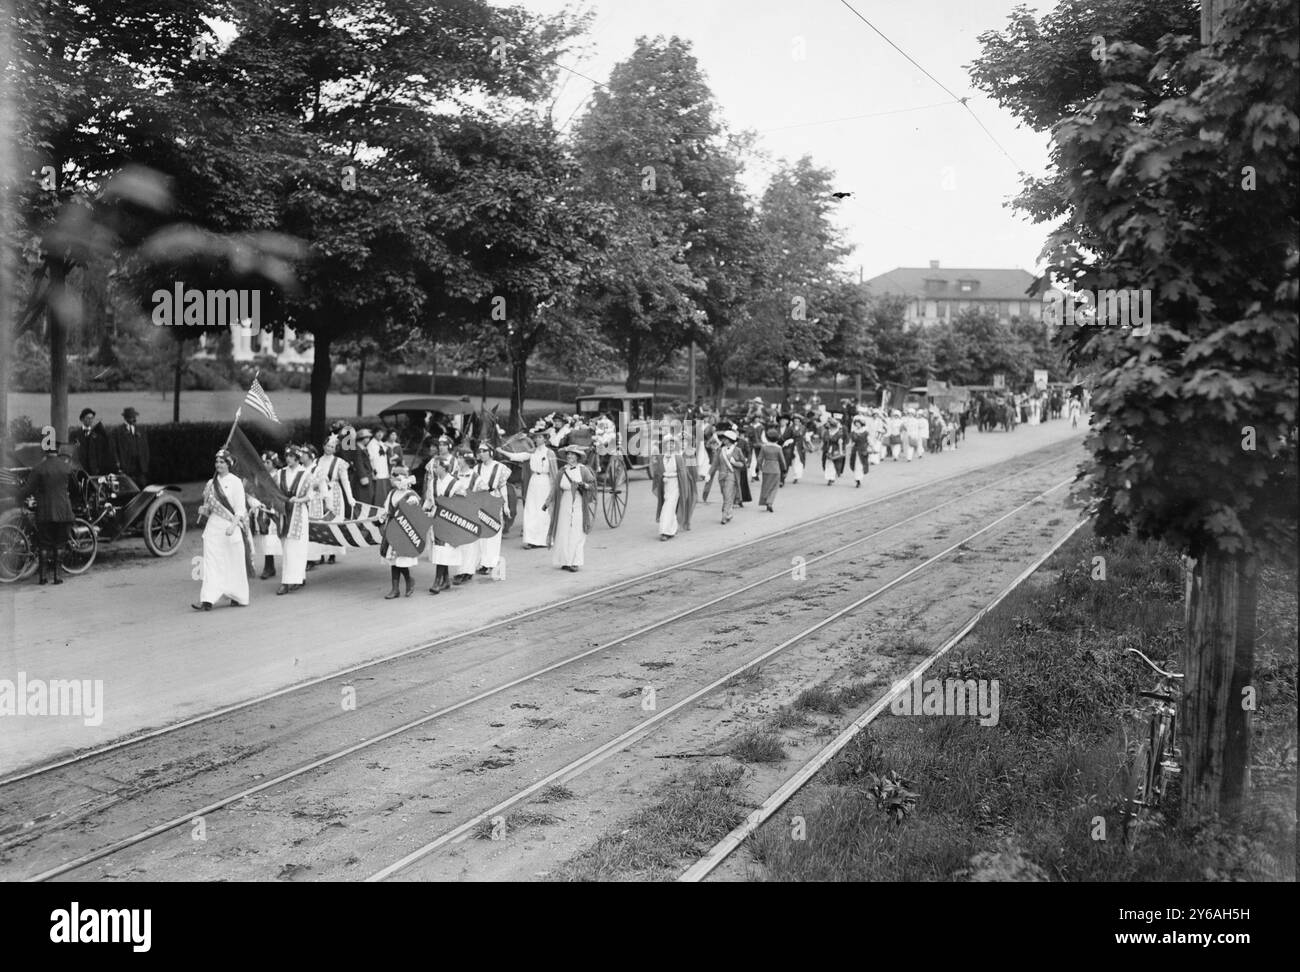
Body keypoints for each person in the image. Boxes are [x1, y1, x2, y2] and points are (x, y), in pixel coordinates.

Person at [193, 448, 250, 611]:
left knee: (233, 561)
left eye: (222, 462)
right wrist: (204, 510)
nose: (218, 465)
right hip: (214, 527)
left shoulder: (235, 482)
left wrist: (233, 526)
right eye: (217, 462)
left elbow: (240, 508)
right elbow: (209, 508)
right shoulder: (211, 483)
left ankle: (237, 595)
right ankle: (207, 599)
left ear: (229, 464)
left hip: (230, 526)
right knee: (211, 562)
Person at [19, 439, 75, 585]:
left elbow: (27, 489)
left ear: (45, 450)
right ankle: (57, 577)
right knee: (60, 544)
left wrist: (17, 497)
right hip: (63, 512)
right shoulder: (67, 467)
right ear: (58, 450)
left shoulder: (39, 468)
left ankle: (43, 578)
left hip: (44, 513)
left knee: (44, 545)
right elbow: (76, 489)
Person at [498, 432, 556, 549]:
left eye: (540, 437)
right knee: (531, 509)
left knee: (543, 510)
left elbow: (554, 471)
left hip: (545, 482)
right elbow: (516, 457)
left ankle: (544, 539)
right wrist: (501, 451)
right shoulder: (532, 452)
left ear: (545, 439)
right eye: (536, 437)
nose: (537, 439)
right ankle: (531, 539)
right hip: (534, 482)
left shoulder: (550, 453)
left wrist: (554, 488)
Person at [545, 445, 596, 571]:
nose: (570, 456)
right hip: (565, 503)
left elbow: (592, 485)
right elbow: (555, 488)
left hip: (578, 502)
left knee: (577, 532)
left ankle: (575, 561)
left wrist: (584, 485)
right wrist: (548, 501)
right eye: (568, 454)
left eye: (573, 454)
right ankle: (565, 560)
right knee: (563, 531)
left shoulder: (583, 470)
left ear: (577, 457)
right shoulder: (562, 471)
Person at [310, 434, 356, 566]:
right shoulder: (316, 461)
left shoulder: (339, 463)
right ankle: (320, 553)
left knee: (333, 521)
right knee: (320, 521)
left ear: (335, 448)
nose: (329, 448)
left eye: (332, 446)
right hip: (319, 493)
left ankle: (332, 553)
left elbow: (345, 481)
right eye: (327, 445)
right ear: (323, 446)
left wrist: (350, 497)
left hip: (334, 491)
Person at [424, 456, 466, 594]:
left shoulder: (455, 483)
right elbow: (429, 500)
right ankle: (446, 580)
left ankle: (437, 581)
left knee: (443, 549)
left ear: (443, 467)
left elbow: (462, 501)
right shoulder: (433, 483)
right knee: (439, 549)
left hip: (449, 519)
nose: (434, 469)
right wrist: (424, 510)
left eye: (436, 466)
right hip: (437, 518)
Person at [378, 464, 418, 599]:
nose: (390, 479)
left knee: (401, 559)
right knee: (393, 560)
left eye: (392, 477)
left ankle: (408, 580)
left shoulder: (410, 495)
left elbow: (414, 511)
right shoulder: (392, 493)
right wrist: (382, 517)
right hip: (391, 529)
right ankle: (395, 589)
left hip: (403, 530)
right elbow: (386, 509)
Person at [469, 441, 509, 577]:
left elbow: (503, 487)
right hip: (480, 500)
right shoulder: (476, 469)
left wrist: (506, 505)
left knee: (493, 531)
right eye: (479, 451)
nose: (481, 454)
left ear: (491, 452)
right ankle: (480, 562)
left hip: (493, 499)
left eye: (484, 451)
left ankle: (490, 562)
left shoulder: (500, 468)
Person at [276, 446, 312, 595]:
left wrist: (299, 499)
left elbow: (311, 495)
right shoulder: (280, 473)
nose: (288, 458)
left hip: (299, 512)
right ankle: (288, 579)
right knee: (287, 546)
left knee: (298, 545)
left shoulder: (305, 474)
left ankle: (296, 577)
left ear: (297, 458)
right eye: (286, 456)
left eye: (291, 456)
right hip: (285, 512)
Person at [650, 434, 696, 540]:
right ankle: (672, 529)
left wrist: (685, 488)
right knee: (668, 506)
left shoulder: (679, 457)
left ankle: (664, 531)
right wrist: (660, 476)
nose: (670, 446)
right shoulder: (662, 457)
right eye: (668, 444)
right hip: (666, 485)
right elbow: (658, 472)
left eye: (672, 444)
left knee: (668, 507)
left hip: (676, 485)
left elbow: (683, 473)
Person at [248, 450, 283, 580]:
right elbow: (253, 490)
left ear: (274, 463)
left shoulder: (278, 475)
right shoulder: (260, 476)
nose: (265, 464)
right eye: (263, 462)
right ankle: (269, 565)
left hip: (272, 510)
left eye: (267, 462)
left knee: (271, 539)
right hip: (261, 508)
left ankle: (270, 566)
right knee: (264, 538)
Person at [111, 406, 150, 485]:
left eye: (134, 417)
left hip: (140, 466)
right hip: (126, 465)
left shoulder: (140, 430)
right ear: (126, 418)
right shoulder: (118, 431)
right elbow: (114, 449)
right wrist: (117, 462)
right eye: (132, 417)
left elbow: (145, 448)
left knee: (142, 485)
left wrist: (145, 462)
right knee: (129, 487)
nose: (134, 419)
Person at [709, 429, 740, 524]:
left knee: (727, 494)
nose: (723, 440)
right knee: (725, 495)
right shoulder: (720, 450)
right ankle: (729, 512)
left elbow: (742, 463)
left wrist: (734, 462)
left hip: (731, 475)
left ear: (729, 440)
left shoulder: (737, 450)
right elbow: (715, 463)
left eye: (725, 438)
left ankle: (724, 515)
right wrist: (709, 474)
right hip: (721, 476)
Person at [73, 407, 113, 475]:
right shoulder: (75, 434)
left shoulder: (97, 434)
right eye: (88, 418)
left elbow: (102, 450)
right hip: (80, 469)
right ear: (82, 419)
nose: (90, 420)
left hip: (94, 470)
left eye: (92, 418)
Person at [756, 426, 787, 512]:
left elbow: (759, 459)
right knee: (774, 487)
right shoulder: (778, 448)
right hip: (776, 469)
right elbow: (782, 461)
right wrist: (784, 470)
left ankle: (765, 500)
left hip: (766, 468)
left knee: (765, 486)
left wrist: (758, 468)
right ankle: (770, 502)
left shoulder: (764, 447)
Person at [347, 427, 376, 507]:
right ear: (363, 438)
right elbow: (358, 463)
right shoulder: (358, 449)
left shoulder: (361, 448)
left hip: (367, 475)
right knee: (364, 497)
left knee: (369, 496)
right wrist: (362, 476)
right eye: (367, 437)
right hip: (363, 477)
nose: (369, 439)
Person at [365, 428, 391, 504]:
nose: (380, 434)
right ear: (374, 433)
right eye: (378, 432)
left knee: (384, 494)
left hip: (384, 472)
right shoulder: (371, 445)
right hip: (377, 473)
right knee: (378, 495)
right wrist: (373, 471)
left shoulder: (382, 444)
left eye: (382, 432)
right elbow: (370, 460)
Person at [848, 413, 872, 487]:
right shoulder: (853, 432)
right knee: (855, 465)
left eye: (858, 423)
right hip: (855, 451)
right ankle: (857, 478)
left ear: (861, 424)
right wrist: (847, 448)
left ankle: (859, 479)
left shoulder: (865, 432)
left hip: (863, 450)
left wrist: (872, 448)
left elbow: (869, 441)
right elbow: (851, 443)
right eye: (856, 423)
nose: (857, 425)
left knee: (860, 465)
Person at [822, 416, 846, 484]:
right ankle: (829, 477)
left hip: (835, 449)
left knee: (833, 463)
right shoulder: (827, 432)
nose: (828, 425)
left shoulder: (838, 432)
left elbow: (840, 442)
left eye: (829, 424)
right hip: (828, 449)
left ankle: (831, 478)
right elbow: (824, 440)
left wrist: (841, 451)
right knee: (828, 463)